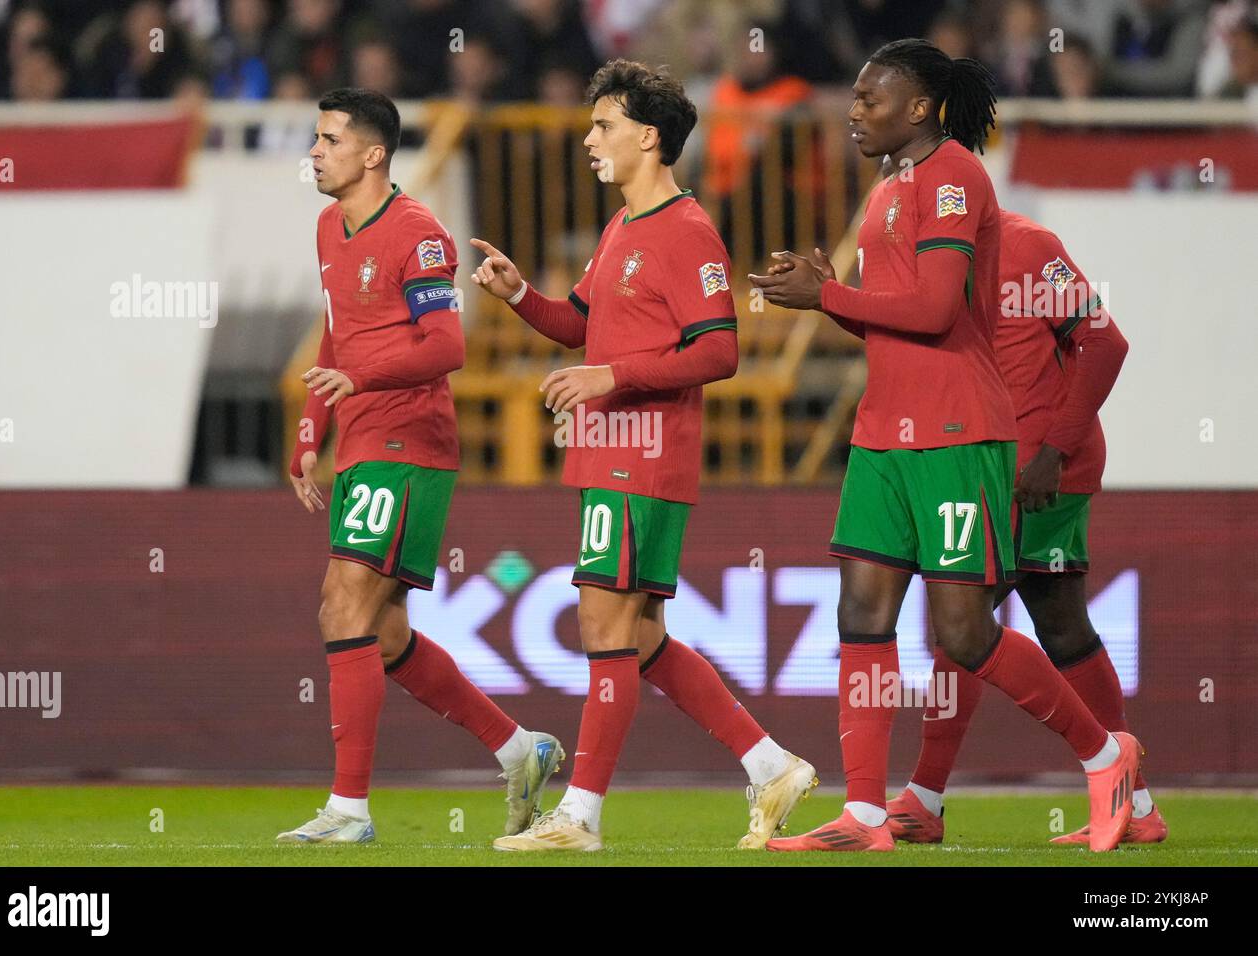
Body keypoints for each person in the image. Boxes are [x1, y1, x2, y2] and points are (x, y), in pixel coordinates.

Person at [749, 38, 1139, 853]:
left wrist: (828, 291)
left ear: (920, 106)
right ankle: (866, 813)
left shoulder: (957, 173)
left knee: (964, 633)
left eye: (869, 98)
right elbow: (892, 316)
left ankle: (1107, 758)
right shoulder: (889, 189)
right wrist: (827, 300)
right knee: (862, 613)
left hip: (957, 431)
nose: (853, 112)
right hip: (882, 432)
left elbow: (934, 313)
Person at [471, 59, 817, 852]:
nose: (590, 138)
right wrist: (521, 296)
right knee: (639, 635)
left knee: (603, 621)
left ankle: (580, 818)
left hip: (645, 453)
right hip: (610, 452)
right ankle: (768, 765)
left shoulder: (688, 229)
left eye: (604, 125)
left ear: (648, 136)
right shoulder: (622, 227)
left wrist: (610, 376)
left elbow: (721, 350)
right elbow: (578, 325)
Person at [277, 88, 563, 845]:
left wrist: (360, 386)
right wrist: (313, 428)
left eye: (329, 139)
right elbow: (339, 337)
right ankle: (519, 748)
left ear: (372, 154)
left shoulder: (418, 234)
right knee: (387, 633)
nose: (315, 151)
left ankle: (349, 811)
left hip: (408, 441)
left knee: (342, 607)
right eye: (315, 138)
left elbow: (447, 346)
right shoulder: (327, 228)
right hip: (362, 437)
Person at [886, 208, 1164, 846]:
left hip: (1036, 467)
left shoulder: (1026, 245)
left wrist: (1053, 451)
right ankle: (1137, 805)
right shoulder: (917, 252)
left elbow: (1106, 342)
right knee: (1036, 624)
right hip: (978, 464)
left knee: (978, 622)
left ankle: (927, 798)